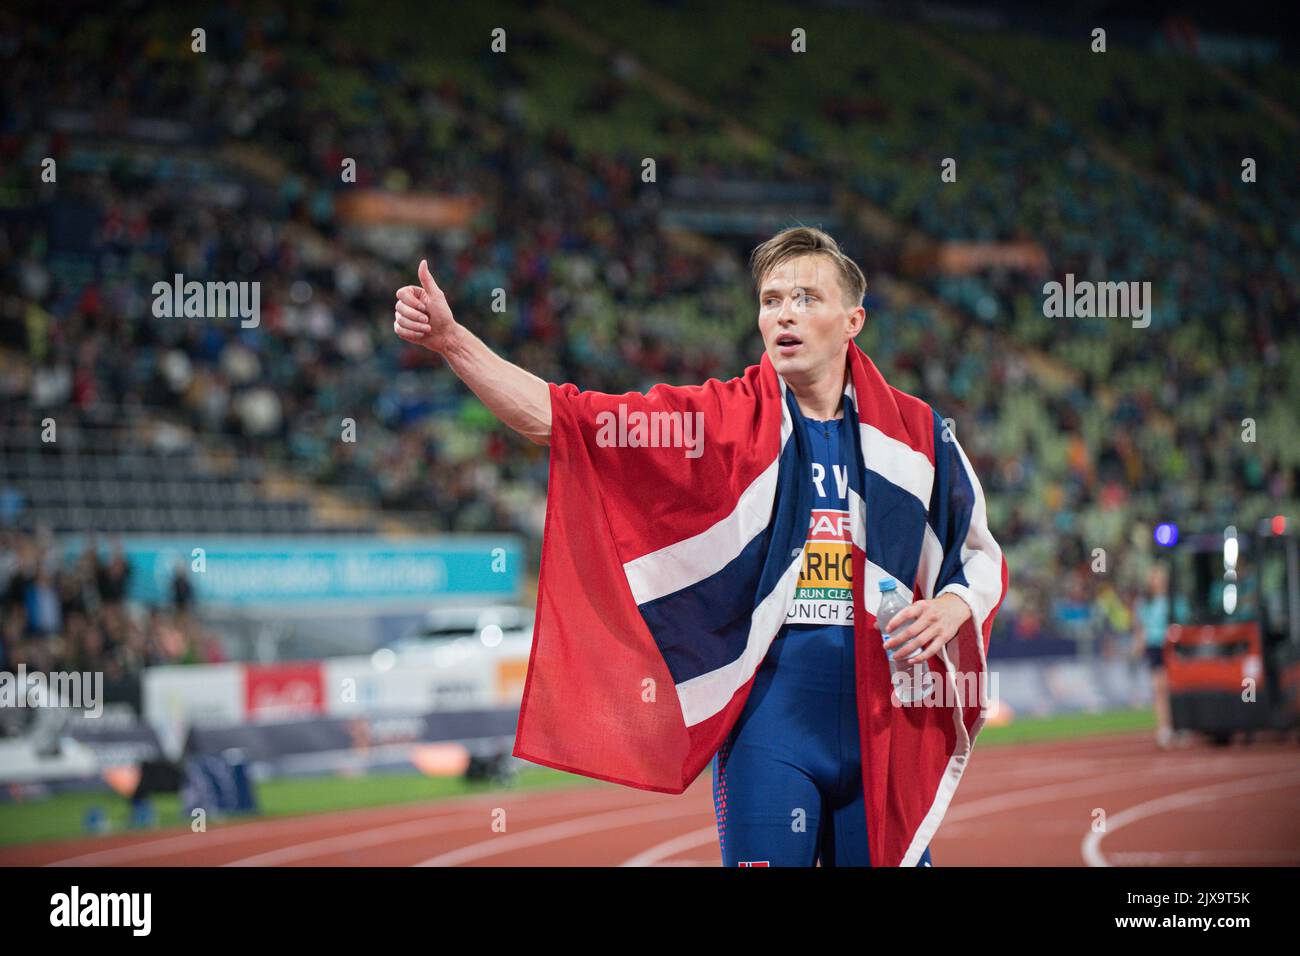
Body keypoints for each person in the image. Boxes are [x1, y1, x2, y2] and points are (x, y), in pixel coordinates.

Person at [393, 226, 1000, 866]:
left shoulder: (917, 437)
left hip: (885, 725)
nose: (784, 313)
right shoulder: (716, 423)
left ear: (854, 320)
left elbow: (978, 556)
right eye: (770, 300)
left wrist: (954, 606)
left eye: (805, 298)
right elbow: (560, 418)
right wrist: (452, 341)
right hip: (772, 731)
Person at [1132, 564, 1176, 749]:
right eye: (1155, 577)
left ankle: (1175, 726)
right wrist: (1138, 645)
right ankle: (1164, 729)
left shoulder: (1171, 600)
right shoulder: (1144, 603)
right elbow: (1141, 627)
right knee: (1159, 688)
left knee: (1170, 687)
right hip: (1154, 647)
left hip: (1171, 647)